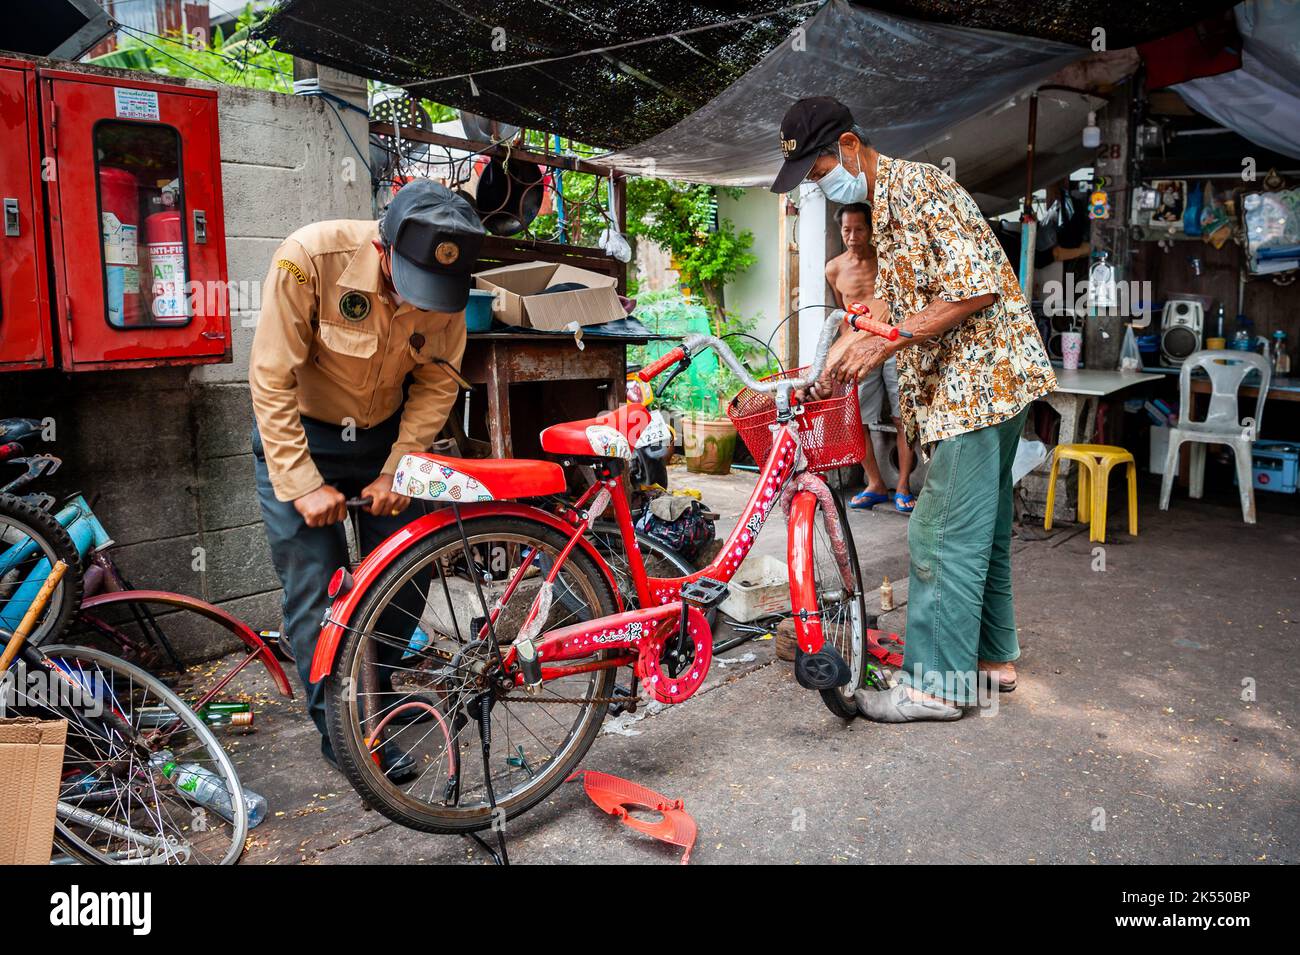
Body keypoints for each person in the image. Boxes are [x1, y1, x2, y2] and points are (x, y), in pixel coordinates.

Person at [772, 96, 1056, 722]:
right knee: (982, 527)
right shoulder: (888, 207)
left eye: (819, 172)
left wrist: (886, 340)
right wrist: (859, 334)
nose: (821, 187)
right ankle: (990, 658)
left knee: (940, 529)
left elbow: (972, 290)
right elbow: (906, 307)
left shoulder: (920, 188)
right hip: (990, 384)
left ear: (847, 146)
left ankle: (936, 686)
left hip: (976, 386)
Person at [249, 179, 485, 775]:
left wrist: (398, 470)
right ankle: (346, 735)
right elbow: (270, 378)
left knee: (403, 583)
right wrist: (301, 481)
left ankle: (374, 700)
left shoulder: (448, 297)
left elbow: (436, 384)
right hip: (304, 435)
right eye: (413, 284)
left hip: (385, 439)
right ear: (383, 248)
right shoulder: (307, 261)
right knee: (318, 590)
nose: (423, 301)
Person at [824, 202, 915, 513]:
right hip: (858, 350)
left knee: (903, 417)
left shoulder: (886, 262)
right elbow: (843, 314)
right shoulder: (834, 268)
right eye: (846, 230)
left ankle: (903, 487)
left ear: (870, 229)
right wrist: (845, 350)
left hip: (892, 346)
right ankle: (875, 483)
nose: (852, 236)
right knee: (855, 417)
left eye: (859, 229)